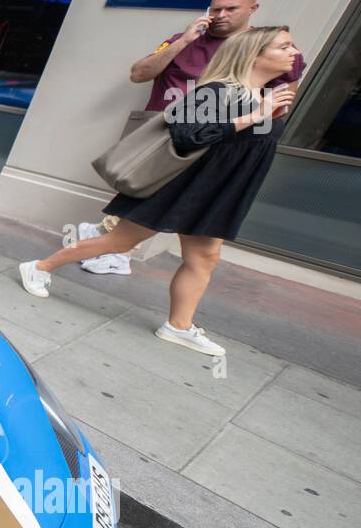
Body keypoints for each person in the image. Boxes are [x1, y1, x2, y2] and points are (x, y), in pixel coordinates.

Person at [18, 27, 302, 357]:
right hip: (182, 185)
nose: (294, 52)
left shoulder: (270, 95)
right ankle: (39, 268)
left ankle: (178, 327)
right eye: (283, 47)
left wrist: (264, 110)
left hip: (222, 190)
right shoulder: (217, 91)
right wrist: (256, 115)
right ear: (255, 55)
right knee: (120, 242)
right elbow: (186, 135)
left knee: (205, 258)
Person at [129, 0, 304, 110]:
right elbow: (138, 74)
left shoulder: (273, 47)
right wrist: (183, 41)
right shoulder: (184, 39)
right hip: (156, 129)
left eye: (231, 9)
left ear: (252, 9)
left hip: (213, 136)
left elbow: (281, 106)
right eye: (215, 10)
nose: (221, 15)